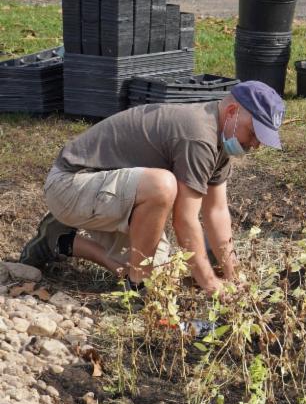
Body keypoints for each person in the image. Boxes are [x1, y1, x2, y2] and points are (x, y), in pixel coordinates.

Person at [21, 81, 286, 296]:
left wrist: (234, 275)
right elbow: (185, 221)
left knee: (160, 270)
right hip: (70, 185)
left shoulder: (220, 140)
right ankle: (137, 286)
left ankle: (59, 239)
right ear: (231, 112)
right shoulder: (198, 136)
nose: (255, 144)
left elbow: (216, 212)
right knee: (162, 186)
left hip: (102, 191)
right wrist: (209, 283)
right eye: (253, 133)